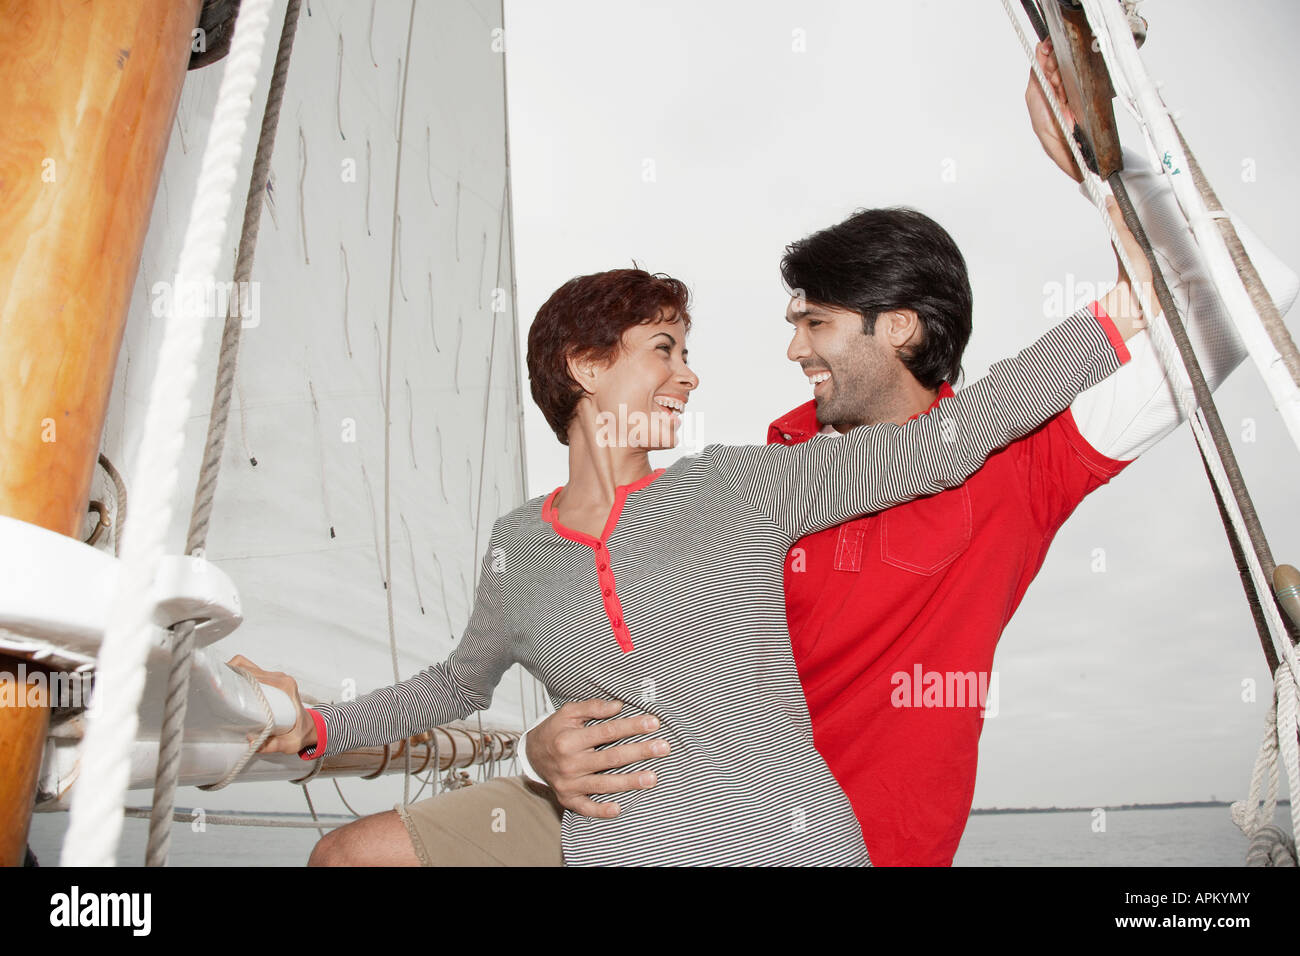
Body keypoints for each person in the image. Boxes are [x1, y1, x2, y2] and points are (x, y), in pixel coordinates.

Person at [275, 39, 1295, 867]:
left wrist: (1114, 174)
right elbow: (572, 652)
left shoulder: (1022, 463)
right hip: (628, 807)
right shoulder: (763, 465)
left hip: (824, 839)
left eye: (813, 322)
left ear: (896, 327)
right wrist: (544, 748)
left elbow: (1254, 293)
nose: (789, 348)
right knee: (352, 855)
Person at [236, 211, 1146, 865]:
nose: (690, 372)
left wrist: (1112, 319)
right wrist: (313, 724)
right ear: (586, 368)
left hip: (791, 843)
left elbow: (948, 442)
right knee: (346, 860)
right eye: (664, 348)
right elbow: (451, 684)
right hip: (610, 842)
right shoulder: (518, 546)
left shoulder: (740, 485)